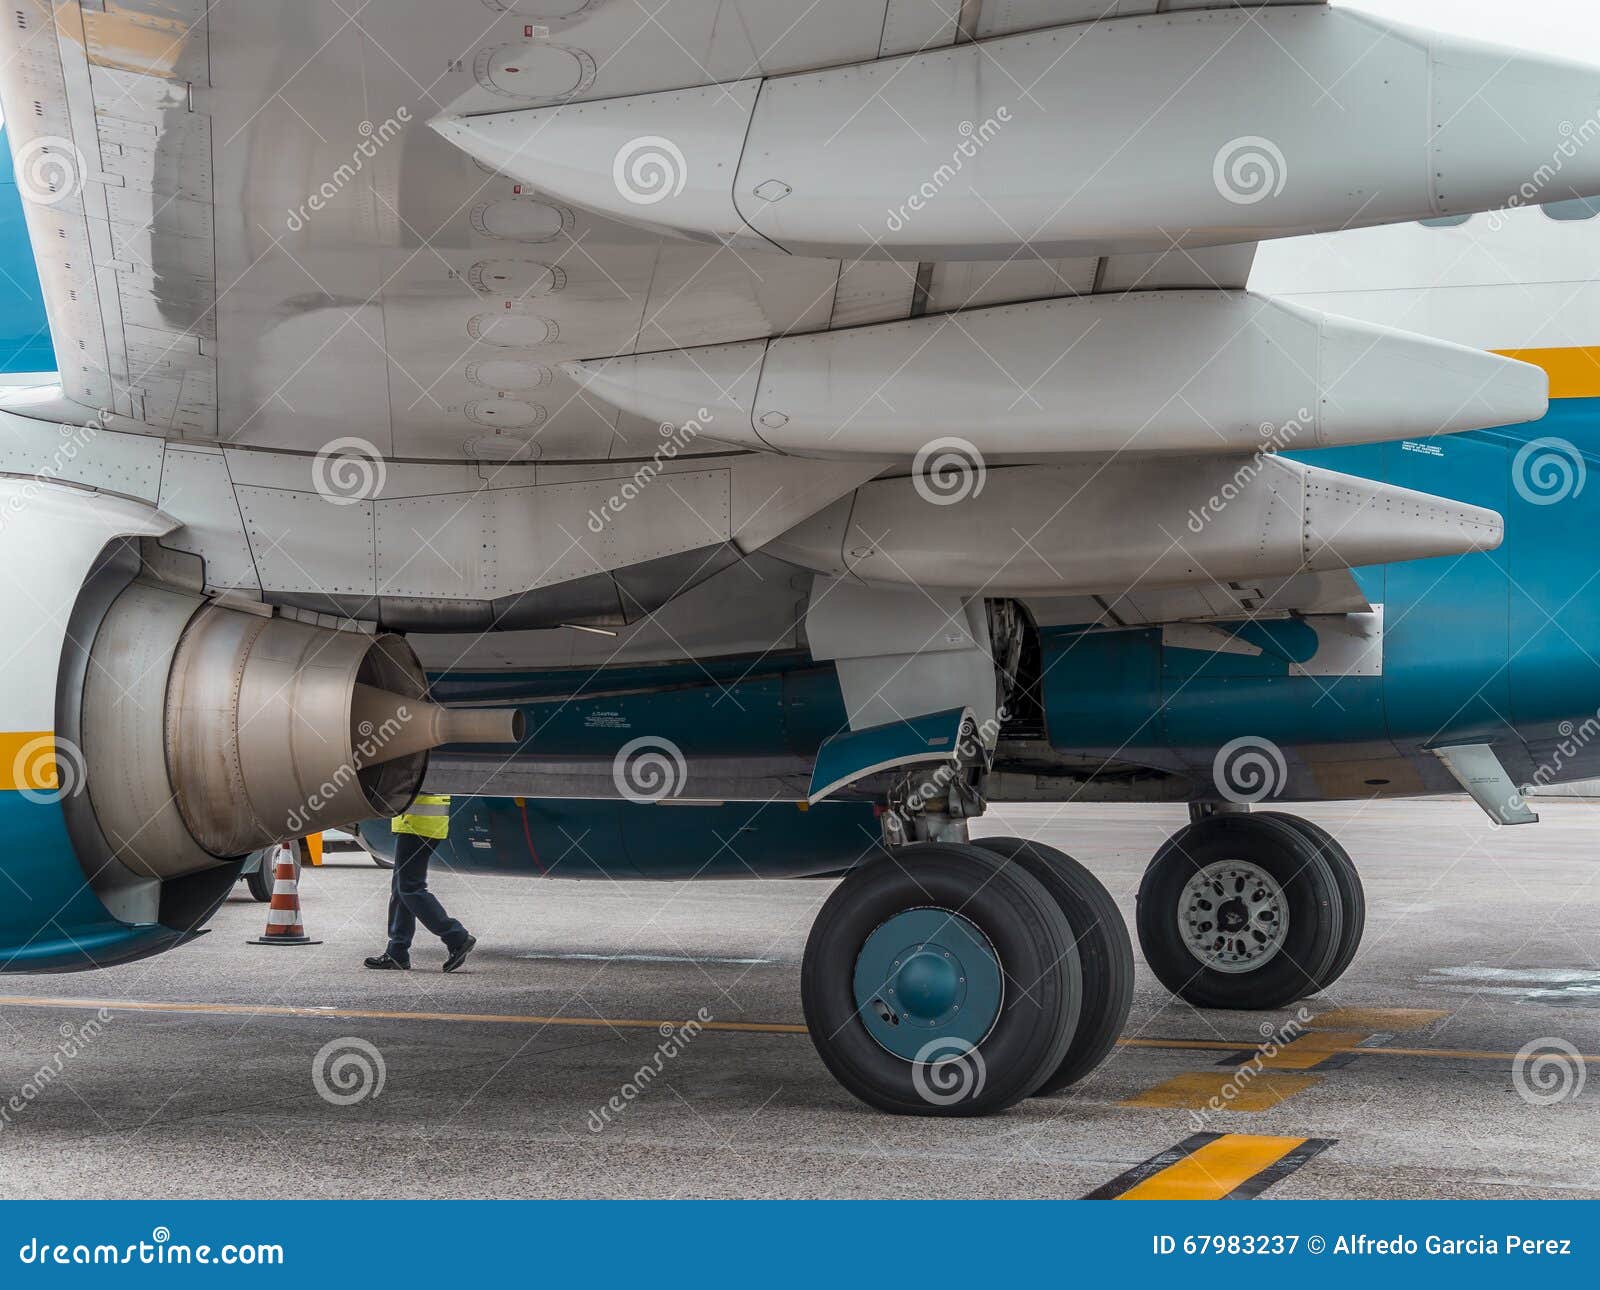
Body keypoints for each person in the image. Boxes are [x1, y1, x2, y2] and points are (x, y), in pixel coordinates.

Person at [364, 794, 476, 972]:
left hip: (417, 824)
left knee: (410, 888)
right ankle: (397, 952)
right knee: (401, 888)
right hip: (420, 823)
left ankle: (456, 937)